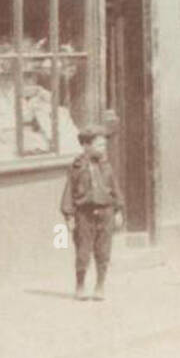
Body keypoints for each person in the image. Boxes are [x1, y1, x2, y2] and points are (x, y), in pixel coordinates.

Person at [60, 124, 124, 301]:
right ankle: (80, 285)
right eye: (99, 145)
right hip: (84, 213)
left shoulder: (107, 166)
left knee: (103, 251)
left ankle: (100, 286)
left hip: (106, 212)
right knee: (83, 251)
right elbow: (69, 191)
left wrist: (118, 210)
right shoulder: (76, 167)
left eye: (104, 145)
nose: (103, 149)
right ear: (87, 146)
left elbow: (114, 188)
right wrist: (69, 215)